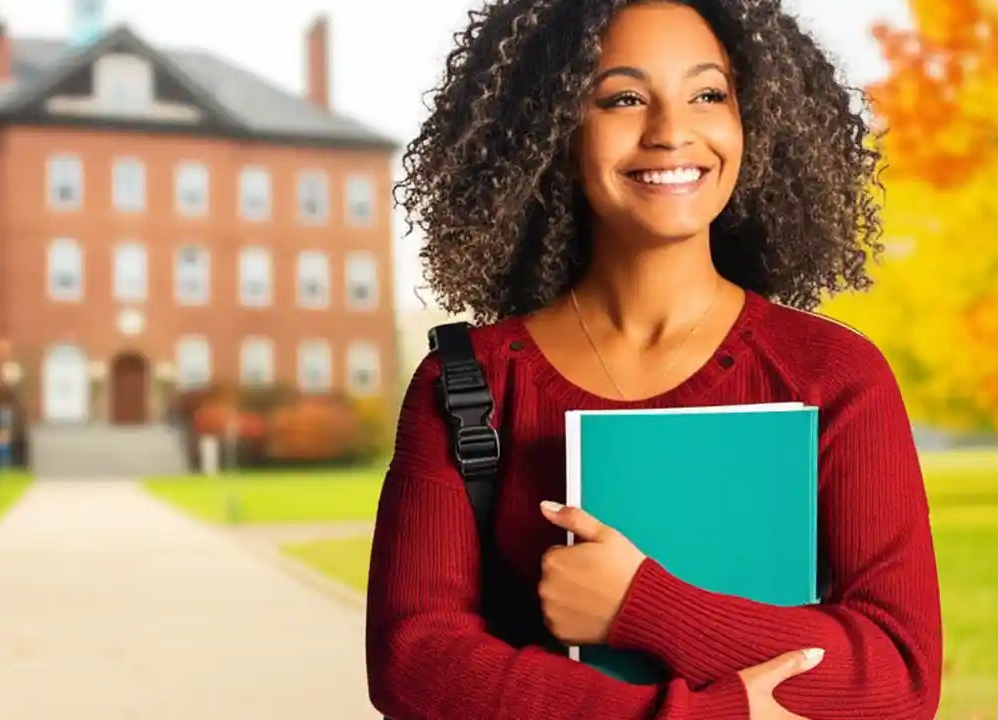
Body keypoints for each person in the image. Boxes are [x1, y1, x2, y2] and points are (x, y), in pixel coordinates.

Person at [365, 0, 943, 718]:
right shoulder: (466, 384)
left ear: (754, 123)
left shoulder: (834, 374)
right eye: (624, 99)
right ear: (555, 130)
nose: (671, 131)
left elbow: (901, 677)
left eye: (708, 94)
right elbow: (415, 661)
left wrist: (639, 605)